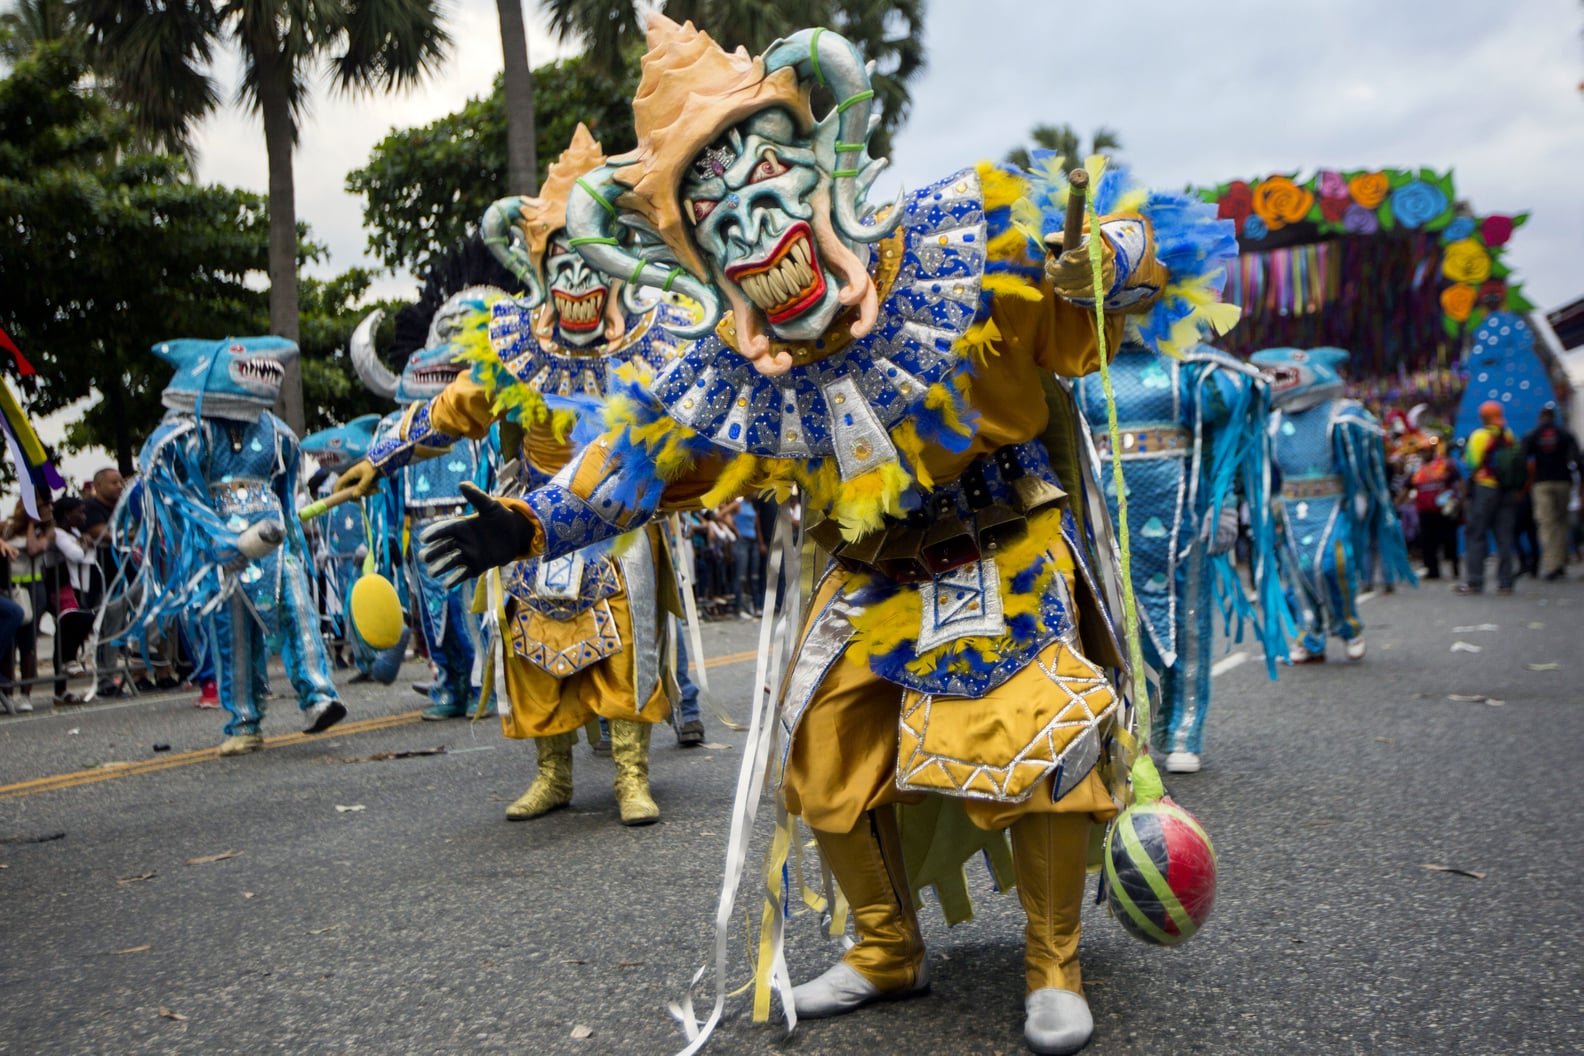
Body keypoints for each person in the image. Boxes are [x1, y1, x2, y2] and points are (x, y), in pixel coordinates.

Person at [409, 16, 1239, 1052]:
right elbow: (635, 462)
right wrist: (527, 523)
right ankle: (887, 951)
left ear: (818, 172)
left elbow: (1148, 254)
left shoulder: (961, 235)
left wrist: (1103, 265)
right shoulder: (722, 367)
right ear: (694, 254)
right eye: (715, 219)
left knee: (1029, 729)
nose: (753, 233)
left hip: (999, 538)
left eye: (763, 185)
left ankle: (1053, 961)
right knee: (826, 747)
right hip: (867, 572)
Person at [336, 126, 696, 826]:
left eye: (589, 261)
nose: (575, 281)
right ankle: (553, 775)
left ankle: (629, 776)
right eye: (560, 263)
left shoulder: (655, 343)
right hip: (528, 522)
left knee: (627, 645)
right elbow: (452, 409)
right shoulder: (516, 348)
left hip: (616, 520)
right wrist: (377, 461)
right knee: (534, 649)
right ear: (540, 271)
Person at [109, 336, 345, 755]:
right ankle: (244, 722)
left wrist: (287, 528)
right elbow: (167, 480)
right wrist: (211, 536)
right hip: (222, 545)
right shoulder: (190, 431)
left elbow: (286, 485)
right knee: (233, 633)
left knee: (299, 610)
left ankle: (319, 698)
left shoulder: (277, 433)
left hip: (272, 538)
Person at [1076, 342, 1290, 774]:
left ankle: (1184, 731)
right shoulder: (1082, 365)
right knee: (1115, 627)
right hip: (1106, 521)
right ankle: (1129, 729)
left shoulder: (1193, 368)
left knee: (1189, 623)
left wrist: (1222, 502)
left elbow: (1215, 440)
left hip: (1185, 517)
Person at [348, 241, 506, 721]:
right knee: (433, 615)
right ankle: (450, 685)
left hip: (475, 521)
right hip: (420, 527)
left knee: (480, 610)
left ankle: (494, 686)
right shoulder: (404, 422)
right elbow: (402, 457)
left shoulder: (491, 409)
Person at [1254, 347, 1416, 661]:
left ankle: (1348, 626)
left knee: (1331, 564)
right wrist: (1268, 506)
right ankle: (1311, 636)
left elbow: (1366, 466)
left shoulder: (1343, 415)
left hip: (1333, 505)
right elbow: (1267, 474)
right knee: (1298, 572)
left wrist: (1362, 501)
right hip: (1290, 509)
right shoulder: (1271, 423)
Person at [1457, 400, 1522, 595]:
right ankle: (1505, 582)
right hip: (1507, 492)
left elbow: (1472, 463)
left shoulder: (1479, 436)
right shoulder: (1509, 436)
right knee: (1504, 538)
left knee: (1476, 535)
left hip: (1485, 489)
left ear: (1484, 417)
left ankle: (1475, 581)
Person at [47, 496, 98, 704]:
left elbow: (89, 556)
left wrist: (84, 544)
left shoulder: (76, 533)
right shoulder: (57, 533)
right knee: (77, 621)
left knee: (67, 633)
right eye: (80, 511)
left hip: (78, 587)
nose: (84, 516)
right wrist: (83, 546)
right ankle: (68, 661)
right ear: (67, 514)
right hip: (60, 586)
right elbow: (76, 554)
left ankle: (62, 688)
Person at [1522, 403, 1581, 581]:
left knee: (1546, 523)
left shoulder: (1534, 434)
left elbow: (1522, 457)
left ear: (1541, 417)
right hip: (1563, 481)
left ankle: (1552, 565)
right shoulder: (1565, 434)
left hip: (1542, 482)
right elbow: (1577, 459)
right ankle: (1561, 561)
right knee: (1562, 522)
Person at [1409, 435, 1462, 580]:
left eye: (1427, 451)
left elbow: (1459, 482)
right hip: (1425, 512)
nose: (1425, 454)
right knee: (1428, 543)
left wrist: (1462, 501)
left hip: (1445, 511)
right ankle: (1432, 571)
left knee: (1450, 540)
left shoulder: (1446, 465)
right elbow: (1407, 487)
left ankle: (1454, 567)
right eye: (1422, 451)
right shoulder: (1416, 470)